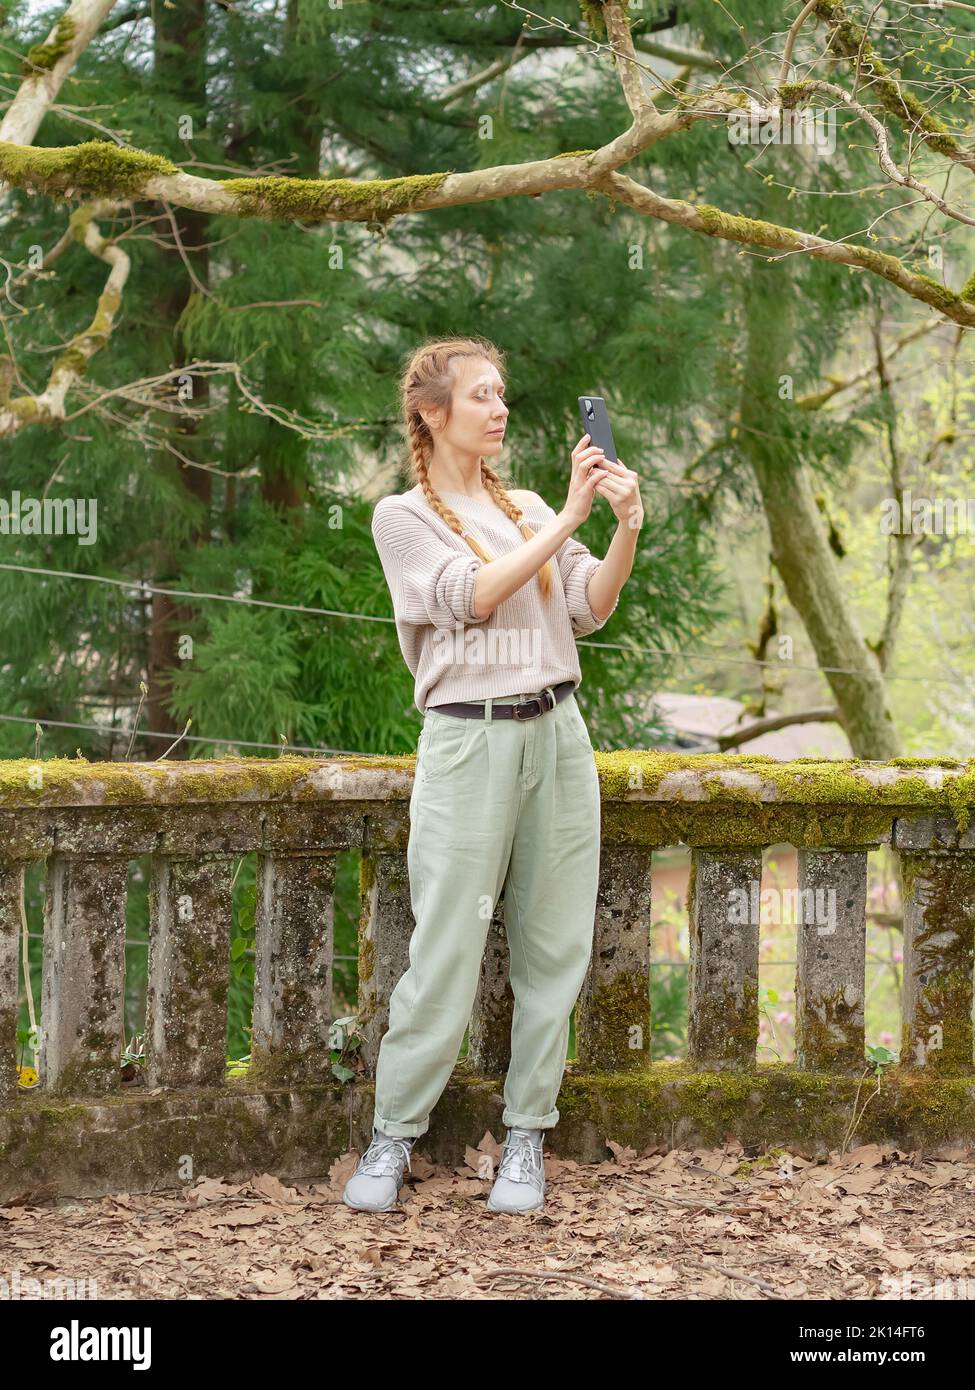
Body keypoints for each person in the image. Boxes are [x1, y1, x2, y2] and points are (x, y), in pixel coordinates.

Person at [344, 335, 641, 1214]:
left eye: (503, 393)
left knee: (553, 949)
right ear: (433, 415)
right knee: (444, 948)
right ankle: (393, 1136)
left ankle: (525, 1138)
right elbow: (469, 597)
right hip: (468, 741)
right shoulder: (401, 516)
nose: (500, 408)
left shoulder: (529, 504)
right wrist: (570, 518)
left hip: (557, 735)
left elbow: (587, 606)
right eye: (481, 396)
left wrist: (621, 525)